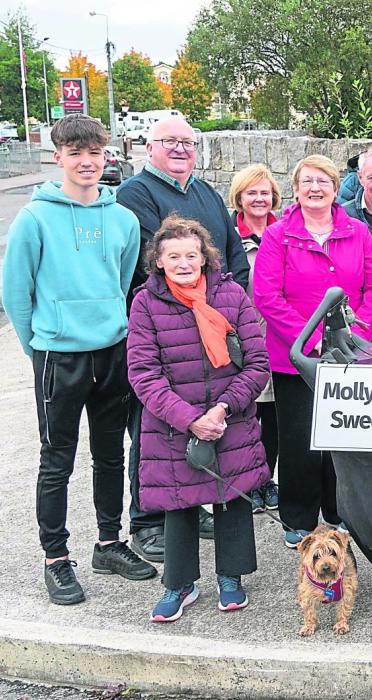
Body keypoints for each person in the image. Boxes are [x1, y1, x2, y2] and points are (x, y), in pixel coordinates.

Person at [2, 114, 155, 605]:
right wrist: (39, 346)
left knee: (110, 454)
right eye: (75, 154)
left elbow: (121, 278)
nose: (87, 162)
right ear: (59, 157)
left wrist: (113, 328)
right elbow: (16, 294)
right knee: (57, 461)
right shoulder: (34, 218)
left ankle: (109, 543)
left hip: (111, 351)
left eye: (95, 153)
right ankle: (56, 558)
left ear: (106, 155)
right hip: (58, 355)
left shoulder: (122, 219)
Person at [117, 115, 250, 561]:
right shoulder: (135, 193)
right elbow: (154, 260)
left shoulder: (203, 190)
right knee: (156, 435)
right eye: (169, 141)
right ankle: (148, 521)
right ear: (149, 147)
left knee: (212, 426)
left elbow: (229, 250)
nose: (179, 149)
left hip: (214, 320)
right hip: (169, 326)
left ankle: (197, 501)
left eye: (186, 142)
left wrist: (227, 298)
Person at [126, 216, 271, 622]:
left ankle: (231, 577)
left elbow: (257, 363)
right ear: (158, 260)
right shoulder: (145, 303)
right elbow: (142, 373)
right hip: (173, 423)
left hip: (229, 416)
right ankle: (179, 584)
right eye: (174, 256)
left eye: (191, 255)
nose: (184, 263)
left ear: (204, 256)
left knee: (233, 496)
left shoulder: (232, 296)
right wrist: (190, 420)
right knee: (179, 501)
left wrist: (223, 409)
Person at [253, 155, 372, 547]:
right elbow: (266, 295)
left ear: (335, 188)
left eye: (323, 182)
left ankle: (340, 512)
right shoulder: (279, 235)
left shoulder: (357, 231)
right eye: (307, 181)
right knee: (300, 441)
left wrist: (352, 333)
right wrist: (313, 339)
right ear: (295, 188)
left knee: (342, 440)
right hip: (296, 359)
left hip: (347, 354)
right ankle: (299, 519)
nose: (315, 189)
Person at [227, 164, 283, 514]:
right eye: (252, 192)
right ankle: (247, 480)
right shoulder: (231, 236)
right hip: (242, 337)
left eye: (264, 192)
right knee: (246, 414)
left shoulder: (286, 232)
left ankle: (267, 479)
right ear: (240, 197)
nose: (259, 198)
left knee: (274, 416)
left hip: (278, 336)